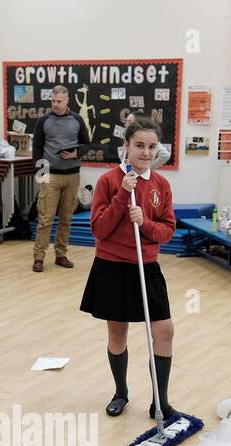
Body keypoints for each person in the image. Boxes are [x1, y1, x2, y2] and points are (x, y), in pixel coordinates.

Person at [80, 116, 179, 419]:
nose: (145, 152)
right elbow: (99, 229)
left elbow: (167, 230)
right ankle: (120, 393)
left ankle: (159, 401)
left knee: (164, 331)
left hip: (146, 267)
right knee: (118, 334)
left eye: (151, 147)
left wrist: (144, 222)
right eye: (139, 146)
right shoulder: (109, 181)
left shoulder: (161, 185)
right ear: (127, 146)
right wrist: (123, 194)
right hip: (112, 266)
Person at [31, 85, 91, 273]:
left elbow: (86, 144)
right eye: (53, 101)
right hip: (50, 175)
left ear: (67, 101)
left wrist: (76, 153)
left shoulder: (77, 119)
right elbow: (37, 148)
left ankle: (61, 254)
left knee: (66, 218)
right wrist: (41, 175)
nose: (56, 105)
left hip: (72, 175)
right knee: (45, 218)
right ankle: (39, 257)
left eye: (59, 101)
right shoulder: (44, 121)